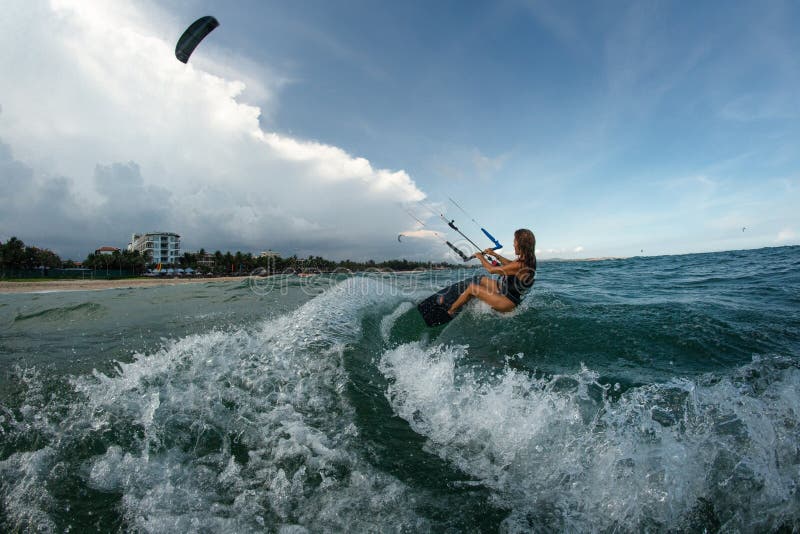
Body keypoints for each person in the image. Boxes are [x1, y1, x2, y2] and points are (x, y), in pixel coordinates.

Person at [444, 228, 537, 316]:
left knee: (472, 288)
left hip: (507, 302)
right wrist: (494, 254)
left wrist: (481, 257)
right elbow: (510, 264)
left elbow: (491, 270)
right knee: (481, 279)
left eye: (515, 242)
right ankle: (464, 299)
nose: (513, 245)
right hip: (507, 291)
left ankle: (450, 311)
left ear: (521, 244)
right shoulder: (527, 260)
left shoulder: (520, 264)